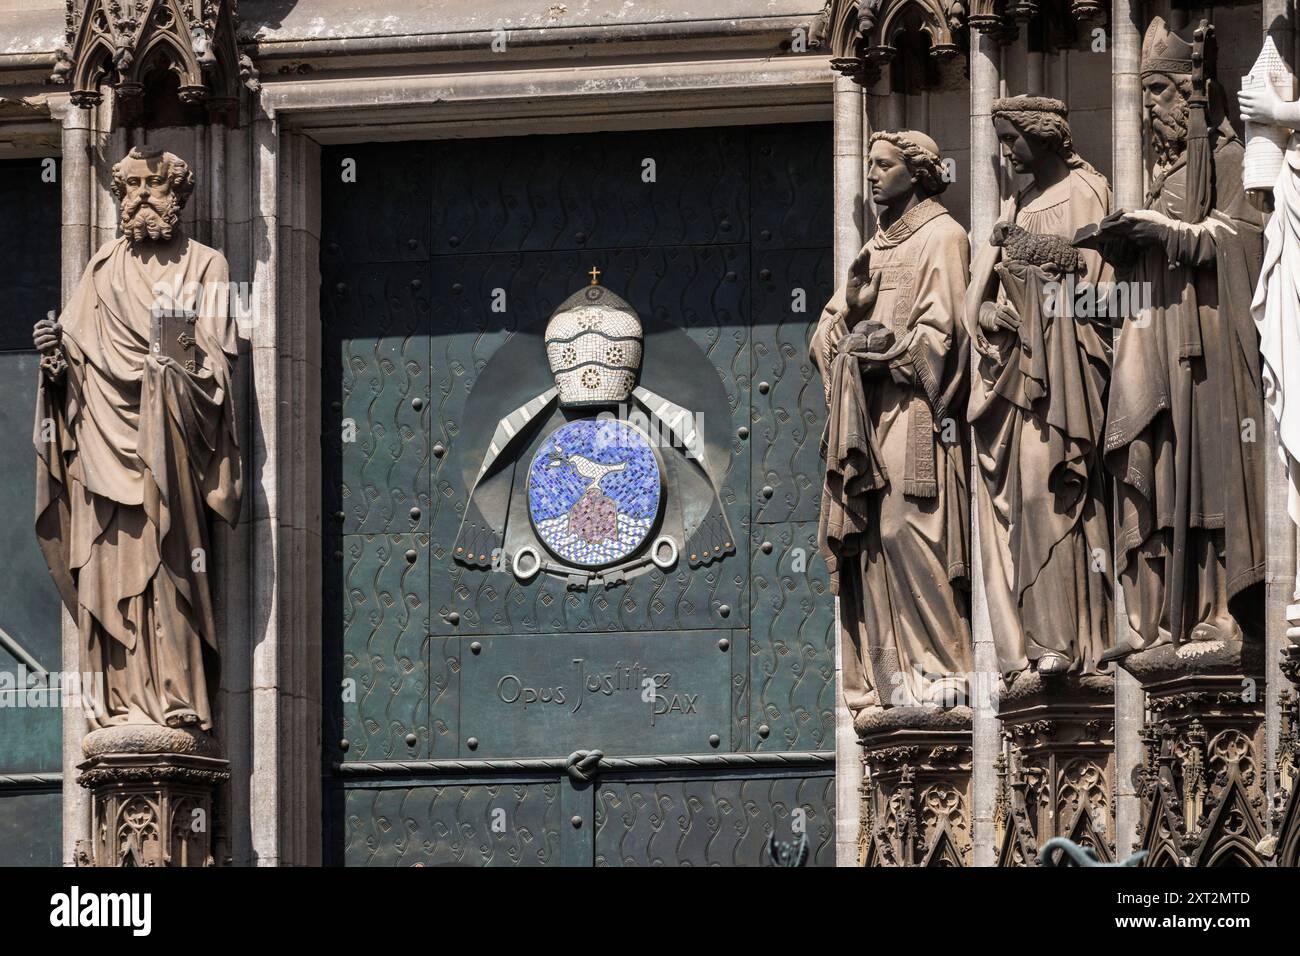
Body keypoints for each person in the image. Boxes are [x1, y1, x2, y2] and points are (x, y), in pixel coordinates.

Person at [812, 129, 972, 712]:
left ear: (918, 171)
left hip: (916, 416)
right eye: (869, 165)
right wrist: (853, 309)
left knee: (905, 530)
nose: (872, 175)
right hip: (864, 417)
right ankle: (890, 679)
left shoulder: (945, 237)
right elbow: (823, 339)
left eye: (882, 165)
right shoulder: (874, 250)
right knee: (871, 541)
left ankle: (944, 666)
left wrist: (881, 349)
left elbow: (944, 335)